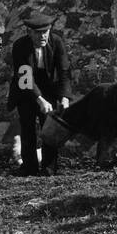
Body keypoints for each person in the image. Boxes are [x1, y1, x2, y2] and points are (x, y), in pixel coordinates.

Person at [7, 11, 71, 175]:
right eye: (38, 33)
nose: (42, 37)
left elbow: (64, 72)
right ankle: (29, 167)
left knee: (49, 130)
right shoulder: (20, 46)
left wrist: (64, 97)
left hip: (48, 89)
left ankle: (49, 168)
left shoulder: (57, 42)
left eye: (45, 32)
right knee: (28, 129)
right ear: (29, 32)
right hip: (25, 89)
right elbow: (25, 77)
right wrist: (39, 99)